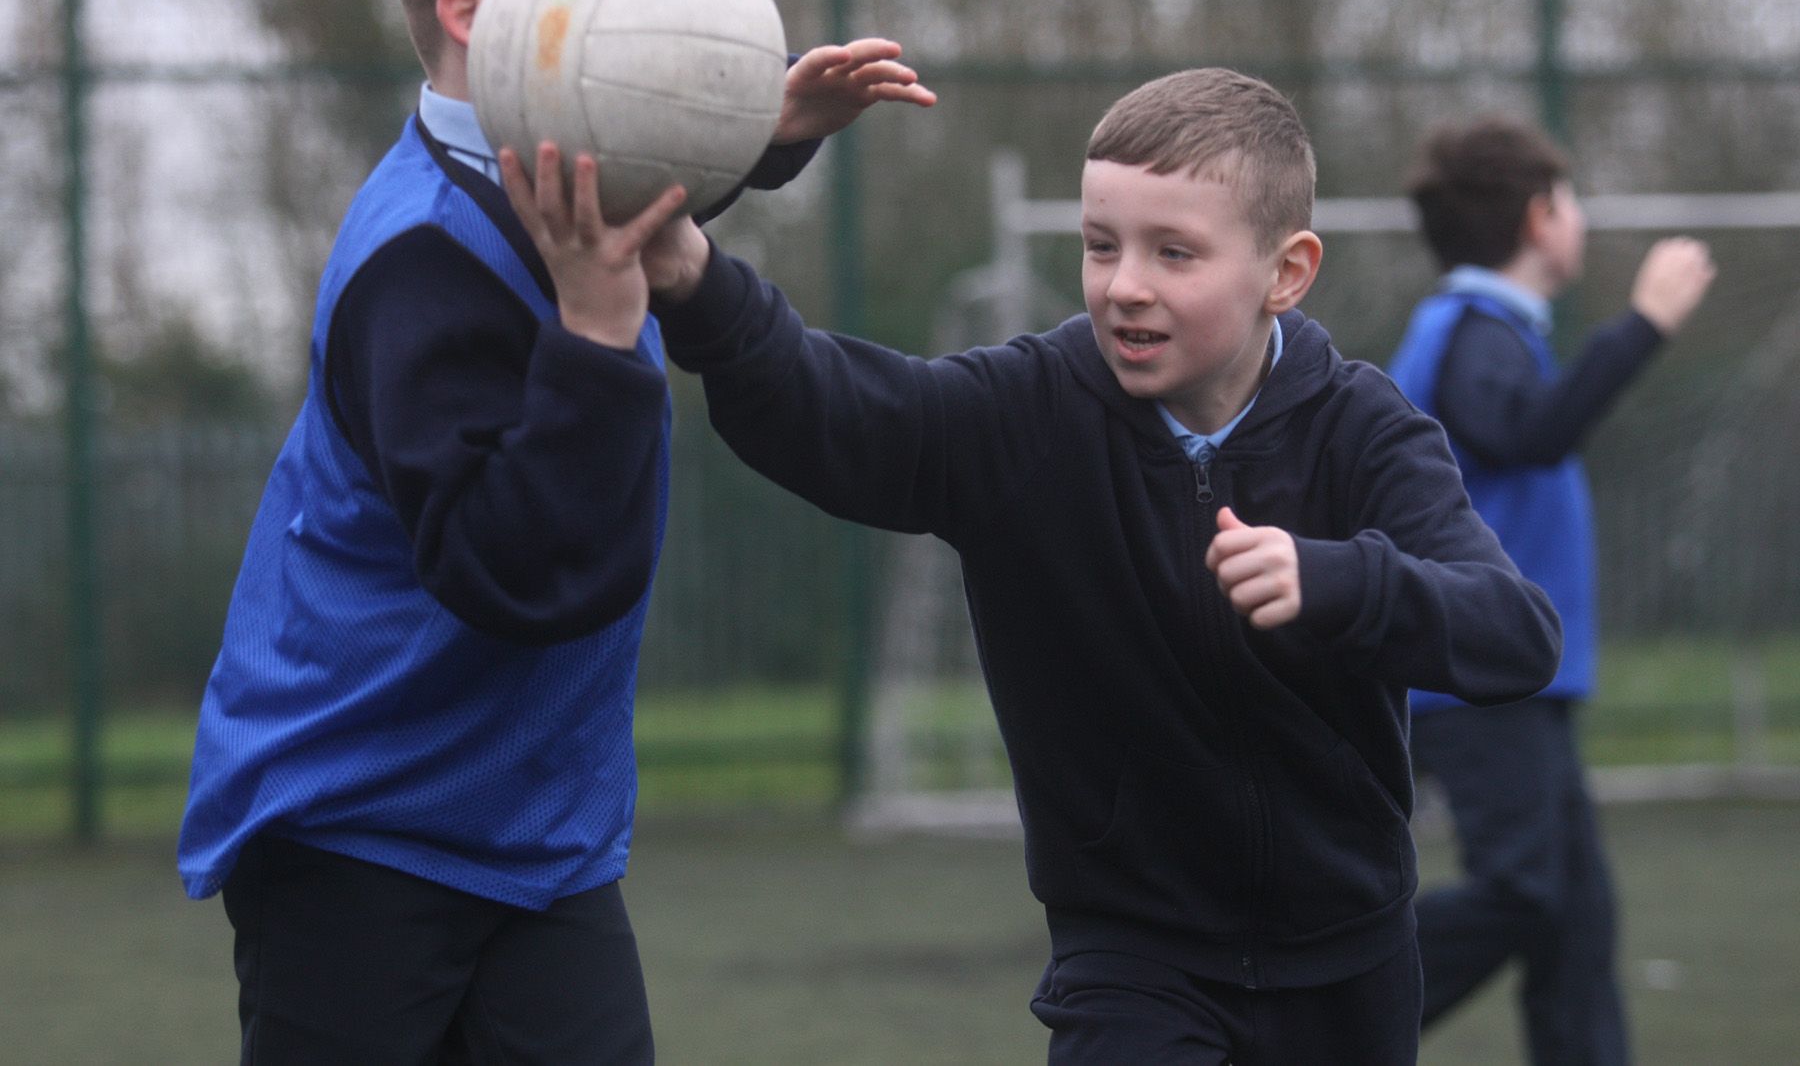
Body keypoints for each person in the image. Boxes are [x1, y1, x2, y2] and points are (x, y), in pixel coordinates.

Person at [508, 67, 1562, 1064]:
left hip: (1354, 957)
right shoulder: (1027, 413)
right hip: (1132, 961)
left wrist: (1340, 580)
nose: (1125, 287)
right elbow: (832, 407)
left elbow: (1514, 632)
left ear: (1285, 272)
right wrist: (695, 283)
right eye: (1102, 246)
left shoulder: (1362, 430)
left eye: (1174, 254)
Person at [176, 0, 933, 1061]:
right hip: (357, 823)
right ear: (478, 15)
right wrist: (593, 332)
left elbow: (631, 169)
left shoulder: (560, 159)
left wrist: (764, 128)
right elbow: (521, 574)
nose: (656, 14)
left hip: (538, 834)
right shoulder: (416, 261)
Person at [1387, 116, 1715, 1065]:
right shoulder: (1470, 333)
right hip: (1475, 673)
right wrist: (1644, 324)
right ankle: (1322, 1013)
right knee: (1523, 891)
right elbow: (1530, 431)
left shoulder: (1490, 330)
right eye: (1570, 201)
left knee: (1576, 920)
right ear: (1541, 218)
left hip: (1517, 676)